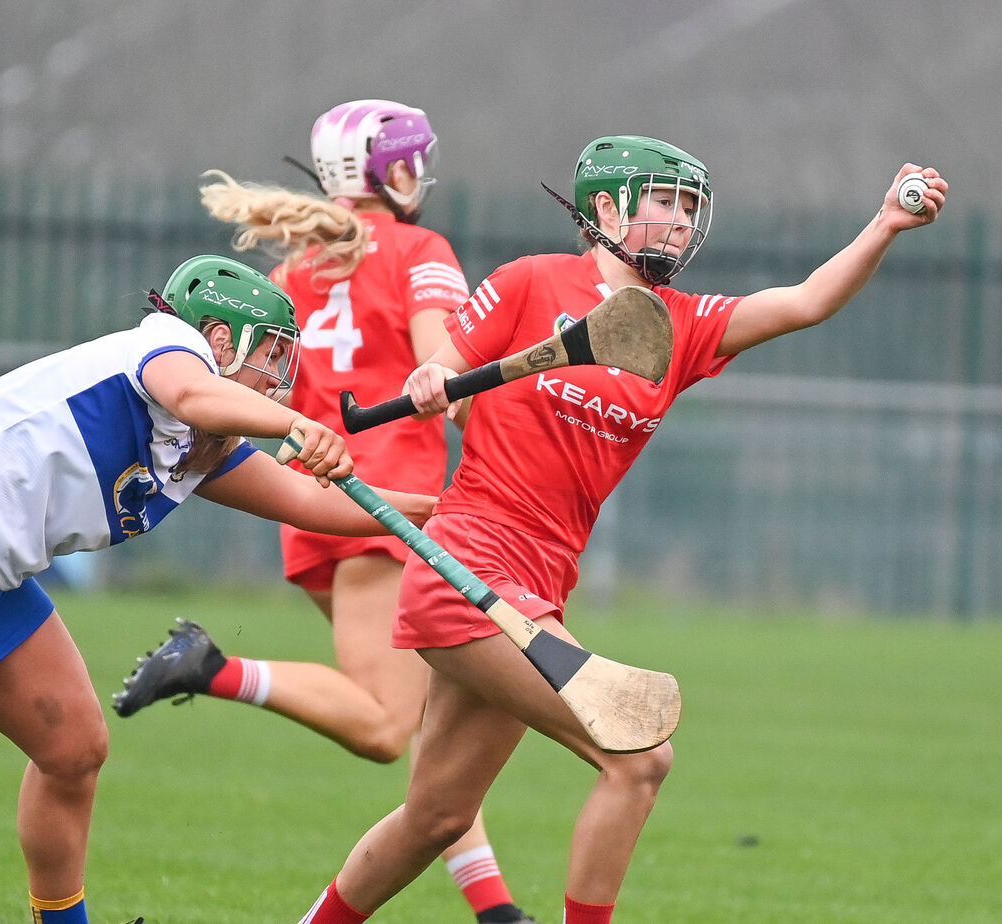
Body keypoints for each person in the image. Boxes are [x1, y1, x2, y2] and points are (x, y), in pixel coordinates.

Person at [287, 137, 948, 924]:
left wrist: (881, 224)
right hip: (464, 568)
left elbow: (804, 301)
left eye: (692, 208)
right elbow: (449, 369)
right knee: (638, 757)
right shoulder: (530, 281)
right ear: (605, 209)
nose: (681, 223)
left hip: (538, 586)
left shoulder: (684, 325)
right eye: (665, 203)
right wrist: (434, 379)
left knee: (435, 817)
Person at [0, 254, 436, 924]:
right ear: (219, 337)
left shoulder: (199, 442)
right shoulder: (168, 345)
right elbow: (192, 392)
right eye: (269, 356)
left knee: (73, 749)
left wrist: (448, 510)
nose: (278, 382)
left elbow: (313, 503)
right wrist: (294, 425)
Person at [112, 100, 536, 924]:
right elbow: (438, 375)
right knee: (386, 722)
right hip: (389, 508)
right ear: (395, 172)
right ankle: (213, 668)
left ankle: (495, 909)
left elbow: (263, 395)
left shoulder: (293, 272)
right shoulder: (422, 251)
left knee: (424, 715)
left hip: (312, 505)